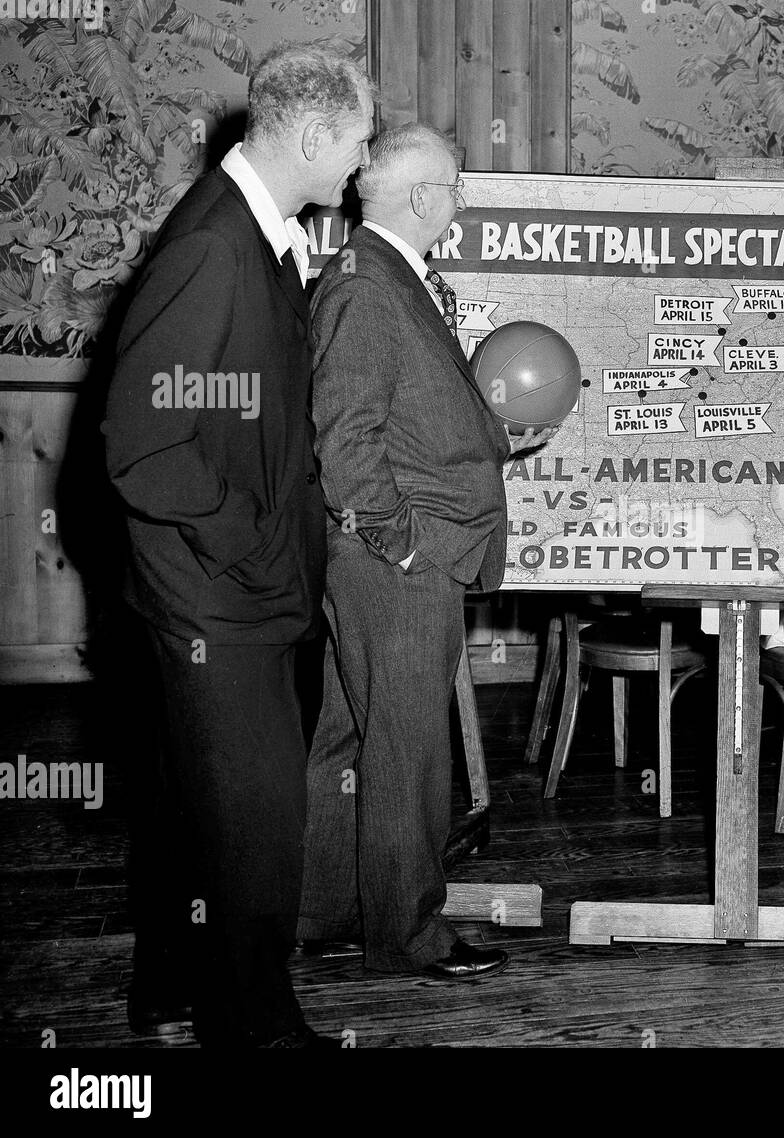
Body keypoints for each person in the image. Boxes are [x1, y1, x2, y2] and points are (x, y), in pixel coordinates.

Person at [102, 43, 374, 1048]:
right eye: (352, 144)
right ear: (310, 137)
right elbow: (141, 443)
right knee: (258, 827)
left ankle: (168, 983)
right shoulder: (217, 248)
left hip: (224, 587)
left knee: (192, 806)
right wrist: (253, 543)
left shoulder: (256, 237)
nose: (355, 164)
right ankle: (251, 1024)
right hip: (221, 596)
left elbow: (233, 411)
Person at [298, 123, 549, 980]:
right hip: (393, 563)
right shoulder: (369, 286)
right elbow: (346, 442)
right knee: (408, 746)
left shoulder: (386, 276)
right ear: (420, 198)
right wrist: (404, 547)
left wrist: (490, 440)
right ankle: (407, 933)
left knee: (350, 738)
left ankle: (323, 912)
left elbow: (403, 417)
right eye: (455, 184)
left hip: (379, 557)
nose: (462, 198)